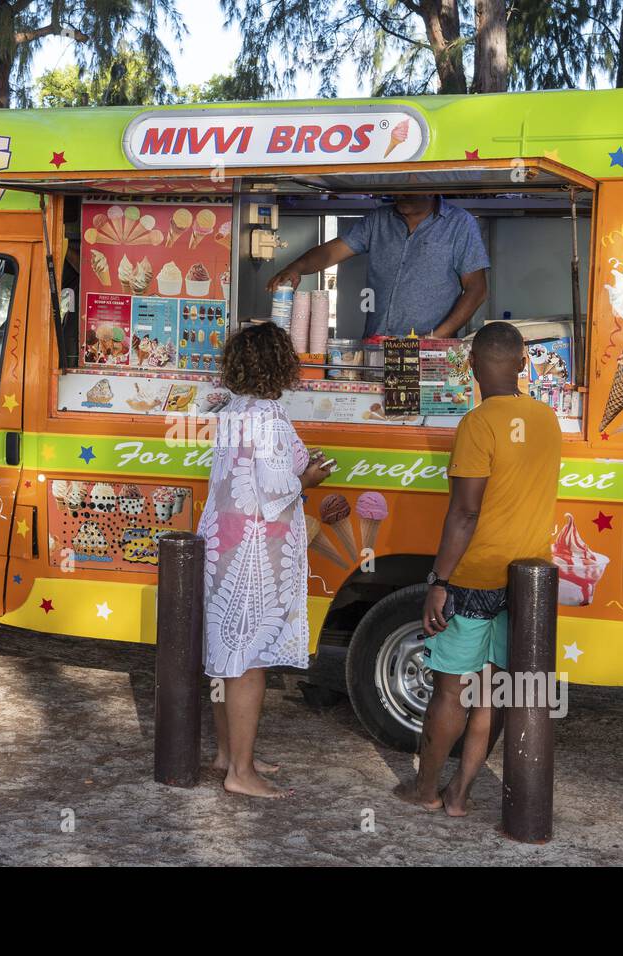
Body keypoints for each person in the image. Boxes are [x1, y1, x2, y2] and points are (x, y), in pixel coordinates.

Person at [394, 321, 561, 816]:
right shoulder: (548, 419)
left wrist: (438, 581)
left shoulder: (476, 424)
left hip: (474, 577)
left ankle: (424, 790)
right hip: (525, 578)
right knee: (490, 691)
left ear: (470, 367)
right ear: (523, 363)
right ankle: (460, 796)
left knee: (451, 691)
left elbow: (465, 513)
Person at [200, 322, 334, 798]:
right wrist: (311, 478)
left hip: (224, 545)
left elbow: (250, 476)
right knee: (249, 661)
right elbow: (277, 491)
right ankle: (241, 773)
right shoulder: (270, 418)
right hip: (255, 554)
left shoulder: (233, 410)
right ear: (283, 365)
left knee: (225, 655)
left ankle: (227, 754)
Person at [266, 194, 489, 338]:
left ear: (429, 188)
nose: (399, 194)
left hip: (431, 354)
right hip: (377, 346)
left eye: (407, 188)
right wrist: (297, 267)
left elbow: (476, 289)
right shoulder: (378, 220)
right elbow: (332, 251)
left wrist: (435, 338)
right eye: (396, 187)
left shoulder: (459, 224)